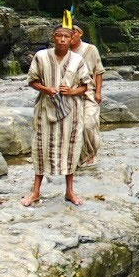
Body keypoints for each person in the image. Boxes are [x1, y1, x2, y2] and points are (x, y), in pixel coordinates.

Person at [21, 14, 91, 207]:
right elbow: (32, 81)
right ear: (53, 37)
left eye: (66, 37)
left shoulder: (78, 60)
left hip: (71, 111)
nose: (62, 40)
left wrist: (71, 91)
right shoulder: (41, 56)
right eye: (59, 36)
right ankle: (35, 192)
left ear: (72, 39)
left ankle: (69, 191)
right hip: (45, 109)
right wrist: (46, 89)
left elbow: (86, 86)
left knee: (71, 147)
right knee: (41, 147)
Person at [68, 23, 104, 166]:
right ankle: (80, 156)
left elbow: (99, 71)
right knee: (75, 126)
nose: (70, 36)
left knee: (89, 124)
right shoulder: (64, 52)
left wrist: (98, 92)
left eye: (73, 32)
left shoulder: (90, 49)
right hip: (70, 93)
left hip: (89, 91)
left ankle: (92, 152)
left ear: (80, 33)